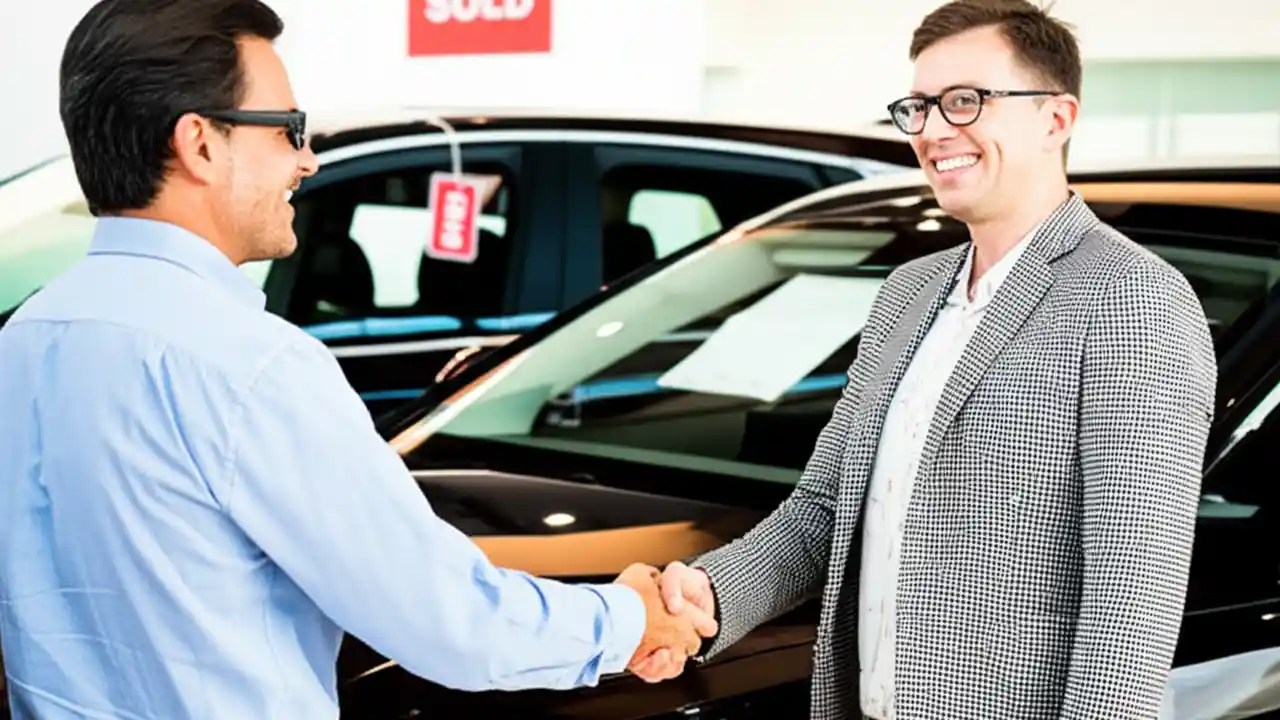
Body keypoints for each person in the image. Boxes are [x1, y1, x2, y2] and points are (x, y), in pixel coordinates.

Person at [0, 1, 713, 717]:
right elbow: (445, 619)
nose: (306, 160)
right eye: (288, 129)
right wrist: (627, 620)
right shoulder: (250, 366)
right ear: (200, 144)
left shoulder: (25, 339)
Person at [632, 1, 1219, 718]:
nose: (936, 131)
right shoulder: (908, 293)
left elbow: (1133, 596)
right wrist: (706, 596)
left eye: (967, 102)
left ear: (1056, 119)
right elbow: (822, 511)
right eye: (921, 106)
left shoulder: (1130, 298)